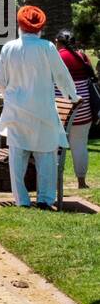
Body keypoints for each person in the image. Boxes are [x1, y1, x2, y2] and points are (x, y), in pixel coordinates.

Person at [0, 5, 77, 209]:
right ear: (40, 27)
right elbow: (61, 75)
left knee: (17, 160)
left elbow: (1, 81)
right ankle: (45, 199)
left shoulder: (9, 48)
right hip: (43, 113)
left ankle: (22, 201)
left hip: (16, 113)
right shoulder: (47, 47)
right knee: (47, 159)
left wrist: (11, 98)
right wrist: (72, 95)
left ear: (20, 26)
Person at [55, 29, 95, 191]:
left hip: (61, 110)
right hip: (84, 109)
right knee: (80, 145)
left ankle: (55, 181)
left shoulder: (57, 57)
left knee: (55, 147)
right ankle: (81, 182)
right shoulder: (82, 56)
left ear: (58, 42)